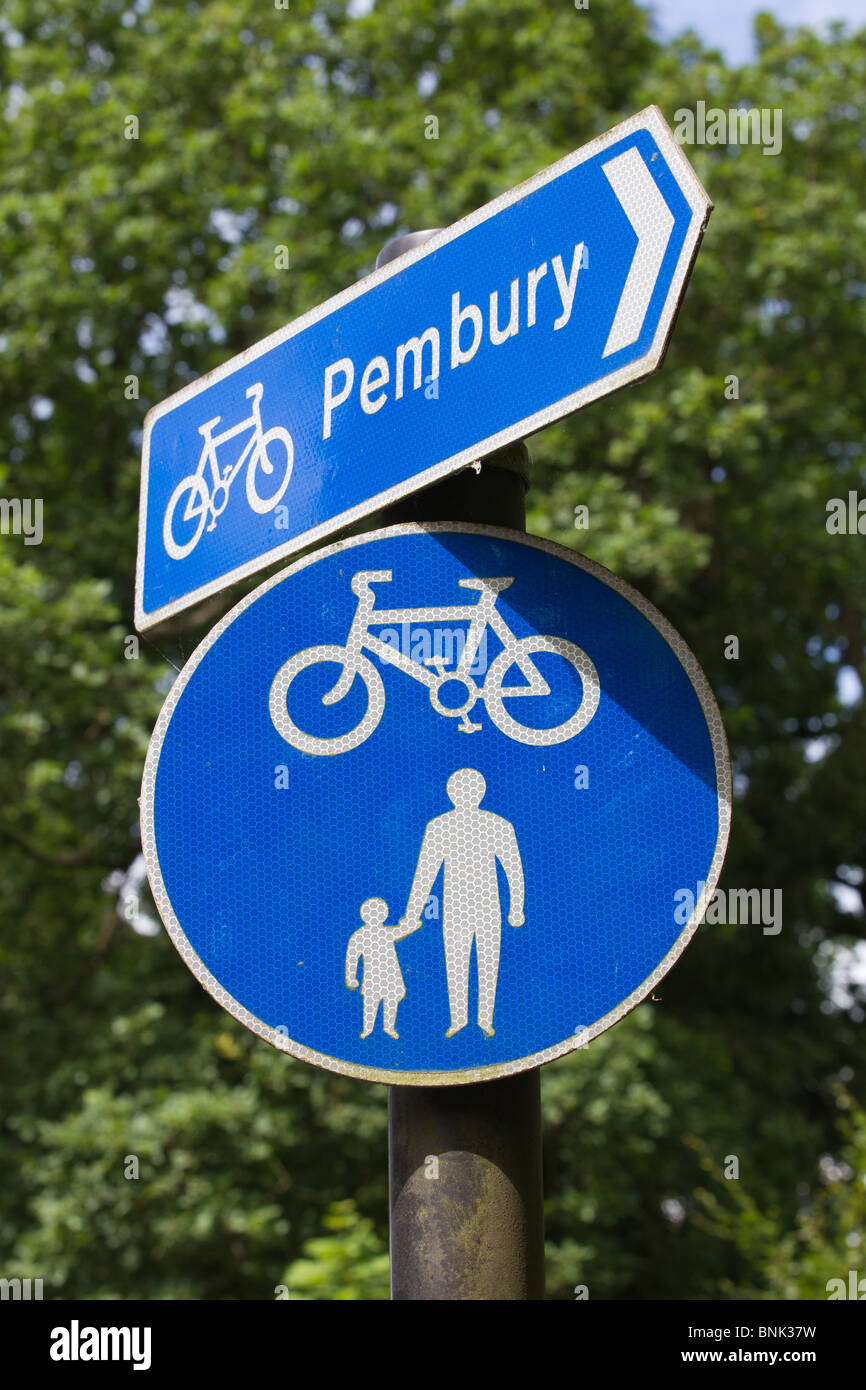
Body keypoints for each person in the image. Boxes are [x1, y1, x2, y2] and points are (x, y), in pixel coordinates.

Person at [401, 768, 524, 1038]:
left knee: (488, 962)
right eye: (459, 791)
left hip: (489, 905)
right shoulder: (439, 826)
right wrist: (412, 913)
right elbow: (425, 873)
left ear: (481, 793)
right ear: (451, 793)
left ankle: (486, 1021)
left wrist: (517, 908)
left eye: (471, 790)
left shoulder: (498, 825)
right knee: (455, 962)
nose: (465, 795)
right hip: (455, 906)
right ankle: (458, 1020)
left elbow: (513, 868)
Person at [344, 897, 419, 1039]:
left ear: (384, 915)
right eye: (372, 913)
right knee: (371, 1001)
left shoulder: (386, 932)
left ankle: (389, 1028)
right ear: (364, 915)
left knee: (391, 999)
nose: (376, 916)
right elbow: (352, 957)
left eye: (379, 913)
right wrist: (351, 977)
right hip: (372, 976)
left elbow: (401, 931)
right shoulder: (359, 936)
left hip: (391, 975)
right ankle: (367, 1029)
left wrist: (412, 925)